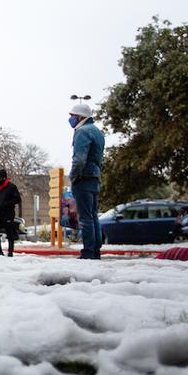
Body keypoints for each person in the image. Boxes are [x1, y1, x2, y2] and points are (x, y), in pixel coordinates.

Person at [68, 103, 106, 259]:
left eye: (72, 116)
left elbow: (79, 160)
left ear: (79, 117)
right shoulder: (98, 132)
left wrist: (73, 176)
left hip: (83, 178)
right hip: (95, 177)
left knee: (85, 217)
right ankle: (95, 250)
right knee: (93, 215)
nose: (70, 119)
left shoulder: (82, 132)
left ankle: (88, 252)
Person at [0, 169, 21, 257]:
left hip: (8, 214)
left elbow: (17, 199)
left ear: (4, 178)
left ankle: (10, 252)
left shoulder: (12, 187)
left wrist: (6, 204)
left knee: (9, 232)